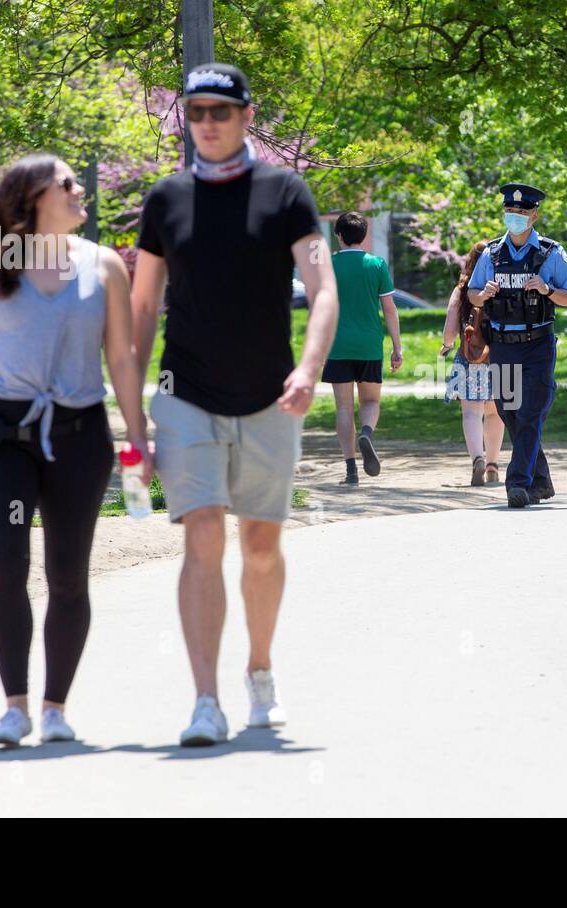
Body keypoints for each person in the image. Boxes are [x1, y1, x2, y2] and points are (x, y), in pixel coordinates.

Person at [0, 155, 150, 746]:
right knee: (6, 568)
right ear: (34, 197)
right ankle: (14, 706)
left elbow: (120, 356)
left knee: (69, 576)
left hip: (80, 437)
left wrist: (137, 436)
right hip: (0, 439)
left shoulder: (104, 266)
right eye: (67, 183)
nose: (79, 190)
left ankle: (55, 709)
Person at [131, 62, 339, 745]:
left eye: (221, 111)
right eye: (196, 112)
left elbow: (323, 286)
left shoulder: (286, 193)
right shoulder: (166, 199)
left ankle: (260, 673)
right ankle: (203, 701)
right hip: (185, 393)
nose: (208, 123)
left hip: (269, 398)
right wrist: (133, 411)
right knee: (202, 536)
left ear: (247, 117)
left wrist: (309, 369)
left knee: (259, 546)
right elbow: (142, 306)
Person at [466, 183, 567, 508]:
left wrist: (546, 289)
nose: (514, 217)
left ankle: (518, 484)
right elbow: (472, 293)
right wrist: (483, 294)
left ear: (534, 215)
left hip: (538, 345)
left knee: (530, 412)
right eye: (510, 211)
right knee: (508, 412)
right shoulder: (492, 253)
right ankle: (541, 482)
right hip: (503, 345)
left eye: (521, 212)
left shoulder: (550, 252)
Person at [323, 210, 402, 485]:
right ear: (364, 235)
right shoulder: (377, 265)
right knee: (370, 401)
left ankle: (351, 470)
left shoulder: (328, 265)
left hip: (338, 344)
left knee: (343, 408)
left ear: (339, 236)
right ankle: (366, 432)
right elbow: (390, 310)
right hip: (369, 345)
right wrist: (397, 347)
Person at [441, 240, 504, 486]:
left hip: (469, 358)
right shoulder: (500, 286)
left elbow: (449, 329)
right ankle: (492, 466)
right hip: (500, 357)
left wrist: (447, 346)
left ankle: (477, 458)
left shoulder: (462, 289)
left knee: (471, 412)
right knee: (495, 412)